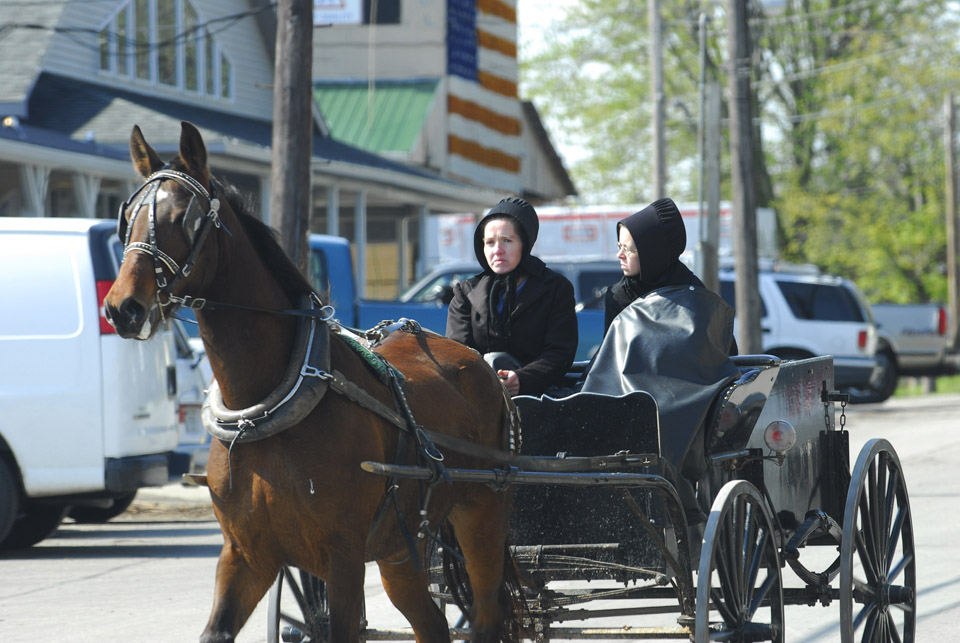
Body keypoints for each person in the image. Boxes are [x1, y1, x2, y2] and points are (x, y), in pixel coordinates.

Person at [446, 197, 578, 397]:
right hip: (478, 398)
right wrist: (485, 381)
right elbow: (457, 351)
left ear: (525, 243)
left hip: (538, 398)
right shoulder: (466, 292)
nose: (497, 250)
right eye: (490, 242)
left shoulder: (555, 288)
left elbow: (560, 352)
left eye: (507, 241)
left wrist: (522, 379)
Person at [603, 197, 737, 356]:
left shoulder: (693, 294)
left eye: (627, 249)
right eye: (620, 246)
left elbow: (724, 354)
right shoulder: (619, 297)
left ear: (652, 252)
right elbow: (610, 359)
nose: (620, 255)